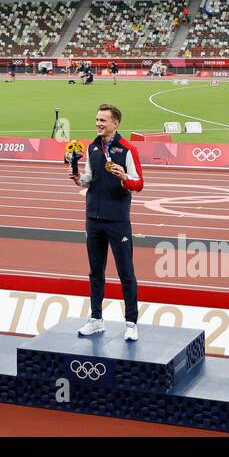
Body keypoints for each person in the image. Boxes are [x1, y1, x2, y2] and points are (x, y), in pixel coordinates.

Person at [71, 104, 145, 340]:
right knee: (95, 272)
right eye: (97, 120)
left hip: (117, 220)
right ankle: (96, 319)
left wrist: (124, 177)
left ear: (116, 123)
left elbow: (139, 183)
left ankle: (131, 323)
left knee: (126, 272)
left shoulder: (127, 149)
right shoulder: (92, 147)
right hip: (93, 218)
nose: (98, 124)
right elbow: (88, 179)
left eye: (103, 120)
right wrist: (77, 178)